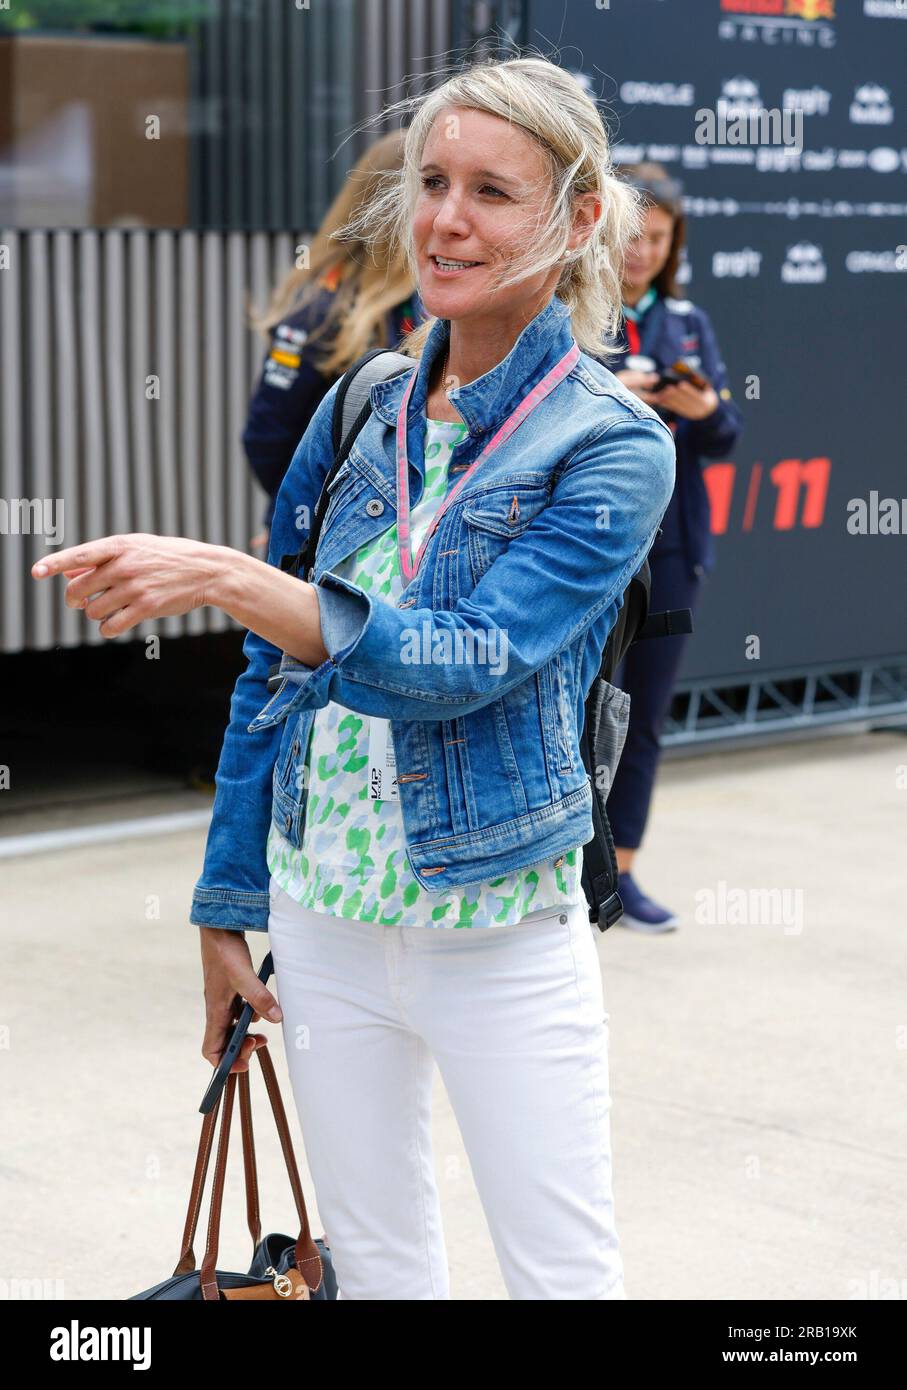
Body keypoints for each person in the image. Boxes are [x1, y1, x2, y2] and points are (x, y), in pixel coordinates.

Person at [32, 56, 676, 1300]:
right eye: (433, 181)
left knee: (562, 1277)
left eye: (492, 191)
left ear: (578, 215)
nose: (444, 218)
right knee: (377, 1270)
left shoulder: (608, 441)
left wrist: (230, 575)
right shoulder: (367, 396)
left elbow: (472, 661)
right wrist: (226, 906)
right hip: (322, 916)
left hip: (497, 929)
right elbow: (274, 679)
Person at [597, 164, 743, 934]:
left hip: (673, 550)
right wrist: (622, 390)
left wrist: (701, 407)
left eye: (659, 238)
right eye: (632, 236)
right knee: (576, 706)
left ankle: (620, 874)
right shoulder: (572, 312)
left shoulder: (687, 321)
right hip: (590, 541)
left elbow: (723, 437)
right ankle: (566, 864)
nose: (644, 252)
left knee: (645, 714)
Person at [243, 129, 427, 547]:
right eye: (432, 186)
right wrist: (301, 513)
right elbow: (266, 436)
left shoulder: (427, 302)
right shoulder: (321, 314)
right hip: (330, 541)